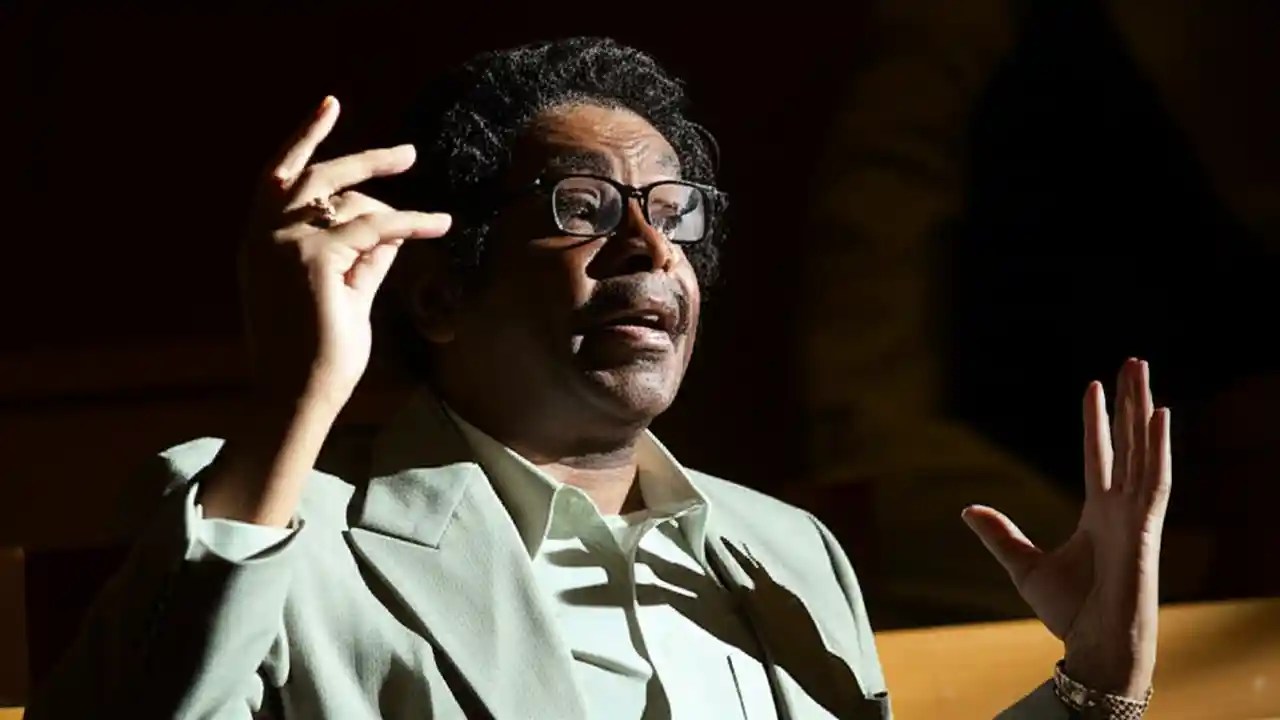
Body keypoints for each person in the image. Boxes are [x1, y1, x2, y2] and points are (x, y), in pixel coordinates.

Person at [25, 37, 1171, 719]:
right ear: (435, 291)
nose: (651, 251)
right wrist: (293, 398)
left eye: (674, 216)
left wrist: (1096, 682)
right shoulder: (266, 519)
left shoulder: (785, 548)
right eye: (583, 210)